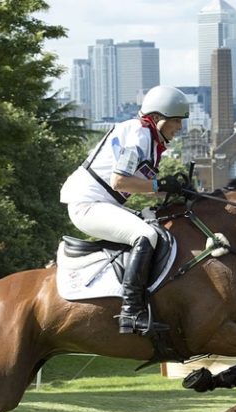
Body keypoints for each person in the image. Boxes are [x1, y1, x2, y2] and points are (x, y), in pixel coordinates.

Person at [60, 86, 190, 335]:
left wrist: (176, 191)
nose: (179, 127)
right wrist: (159, 185)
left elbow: (141, 186)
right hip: (87, 204)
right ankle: (130, 312)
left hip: (101, 203)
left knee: (157, 224)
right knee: (146, 235)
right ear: (156, 118)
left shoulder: (150, 141)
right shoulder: (139, 134)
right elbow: (119, 181)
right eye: (175, 120)